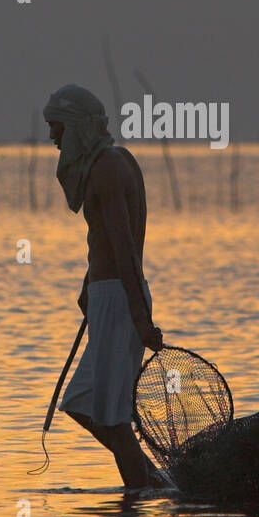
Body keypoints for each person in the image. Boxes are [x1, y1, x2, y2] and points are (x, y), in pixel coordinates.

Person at [43, 84, 167, 491]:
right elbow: (107, 240)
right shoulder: (107, 163)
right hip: (107, 297)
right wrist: (88, 285)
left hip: (118, 299)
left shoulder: (109, 168)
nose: (52, 137)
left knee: (113, 419)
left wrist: (139, 317)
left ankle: (141, 499)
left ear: (77, 126)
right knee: (83, 402)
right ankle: (153, 482)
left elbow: (125, 248)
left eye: (57, 127)